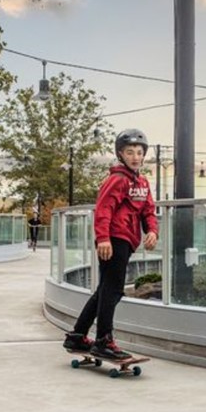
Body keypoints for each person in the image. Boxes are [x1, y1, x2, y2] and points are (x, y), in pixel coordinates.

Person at [62, 128, 159, 360]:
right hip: (114, 238)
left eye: (139, 152)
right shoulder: (117, 180)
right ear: (120, 155)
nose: (135, 156)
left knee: (105, 290)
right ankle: (104, 340)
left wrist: (152, 230)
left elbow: (148, 211)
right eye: (129, 152)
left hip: (128, 239)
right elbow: (104, 210)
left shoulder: (142, 182)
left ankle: (77, 335)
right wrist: (103, 238)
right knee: (113, 290)